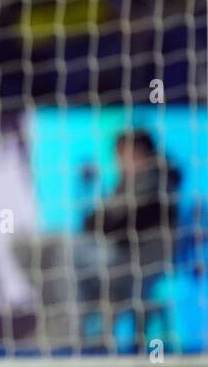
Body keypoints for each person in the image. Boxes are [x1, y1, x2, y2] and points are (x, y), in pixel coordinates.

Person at [75, 128, 181, 350]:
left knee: (77, 261)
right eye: (120, 156)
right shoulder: (122, 188)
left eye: (129, 155)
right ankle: (95, 340)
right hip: (123, 264)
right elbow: (93, 225)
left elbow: (123, 228)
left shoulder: (157, 186)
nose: (123, 162)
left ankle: (90, 342)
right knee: (80, 264)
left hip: (144, 264)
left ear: (145, 154)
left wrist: (106, 221)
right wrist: (87, 192)